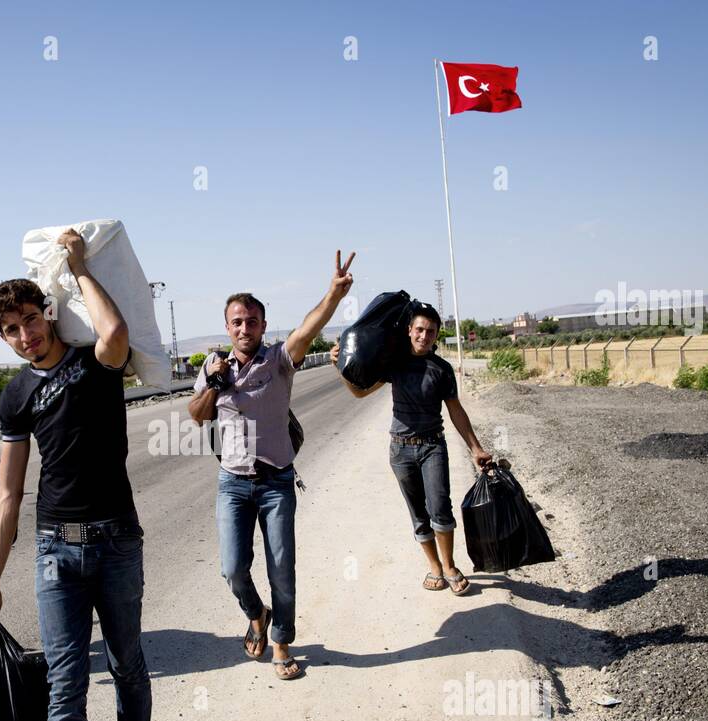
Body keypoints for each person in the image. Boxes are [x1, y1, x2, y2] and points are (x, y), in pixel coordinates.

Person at [0, 229, 153, 721]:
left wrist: (75, 269)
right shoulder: (15, 395)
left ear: (48, 313)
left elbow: (118, 331)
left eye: (30, 319)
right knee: (64, 692)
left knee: (128, 663)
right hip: (54, 555)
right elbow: (8, 493)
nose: (25, 335)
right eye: (11, 329)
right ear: (3, 337)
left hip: (117, 542)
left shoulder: (93, 360)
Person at [186, 250, 356, 681]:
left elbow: (308, 328)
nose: (245, 328)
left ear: (263, 325)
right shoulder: (212, 366)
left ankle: (281, 641)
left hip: (276, 482)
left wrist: (333, 295)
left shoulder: (279, 360)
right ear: (228, 327)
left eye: (252, 321)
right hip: (232, 484)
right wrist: (214, 381)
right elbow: (198, 414)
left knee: (282, 567)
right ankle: (255, 612)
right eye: (237, 322)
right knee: (232, 568)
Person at [331, 300, 493, 595]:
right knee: (418, 514)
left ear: (436, 335)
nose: (424, 336)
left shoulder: (442, 369)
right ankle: (434, 568)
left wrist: (475, 448)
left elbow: (456, 411)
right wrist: (340, 367)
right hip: (400, 451)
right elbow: (359, 393)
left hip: (433, 447)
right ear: (409, 330)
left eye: (430, 332)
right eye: (419, 329)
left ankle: (450, 565)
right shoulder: (394, 363)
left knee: (441, 509)